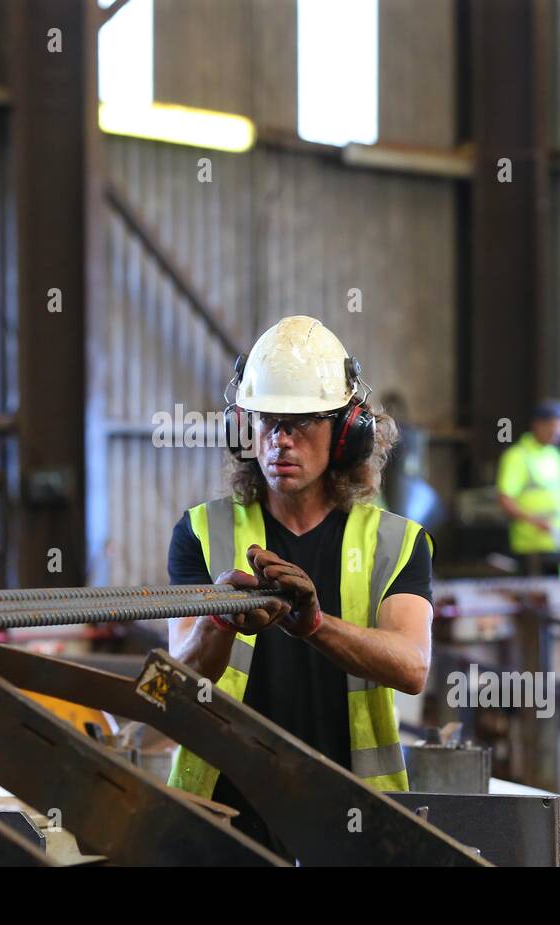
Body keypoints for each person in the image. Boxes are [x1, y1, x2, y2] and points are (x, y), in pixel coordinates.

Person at [163, 315, 434, 859]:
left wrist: (311, 623)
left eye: (303, 422)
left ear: (347, 431)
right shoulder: (201, 532)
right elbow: (179, 681)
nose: (281, 441)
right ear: (245, 428)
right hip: (222, 817)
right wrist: (221, 616)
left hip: (355, 817)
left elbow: (411, 667)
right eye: (267, 421)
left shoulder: (396, 542)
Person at [496, 399, 560, 577]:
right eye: (553, 427)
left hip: (558, 545)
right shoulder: (517, 456)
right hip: (530, 548)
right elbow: (505, 499)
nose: (558, 433)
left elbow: (559, 500)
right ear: (537, 425)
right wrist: (535, 521)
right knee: (536, 598)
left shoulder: (557, 456)